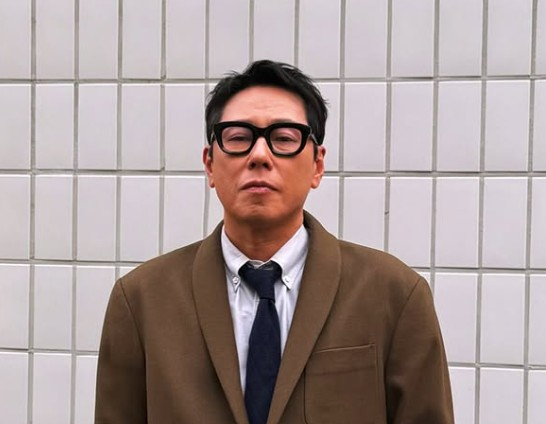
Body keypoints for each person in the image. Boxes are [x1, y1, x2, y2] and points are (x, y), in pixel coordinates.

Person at [95, 60, 454, 424]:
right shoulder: (141, 301)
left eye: (283, 138)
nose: (259, 156)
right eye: (238, 137)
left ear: (317, 165)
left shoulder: (393, 294)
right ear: (210, 164)